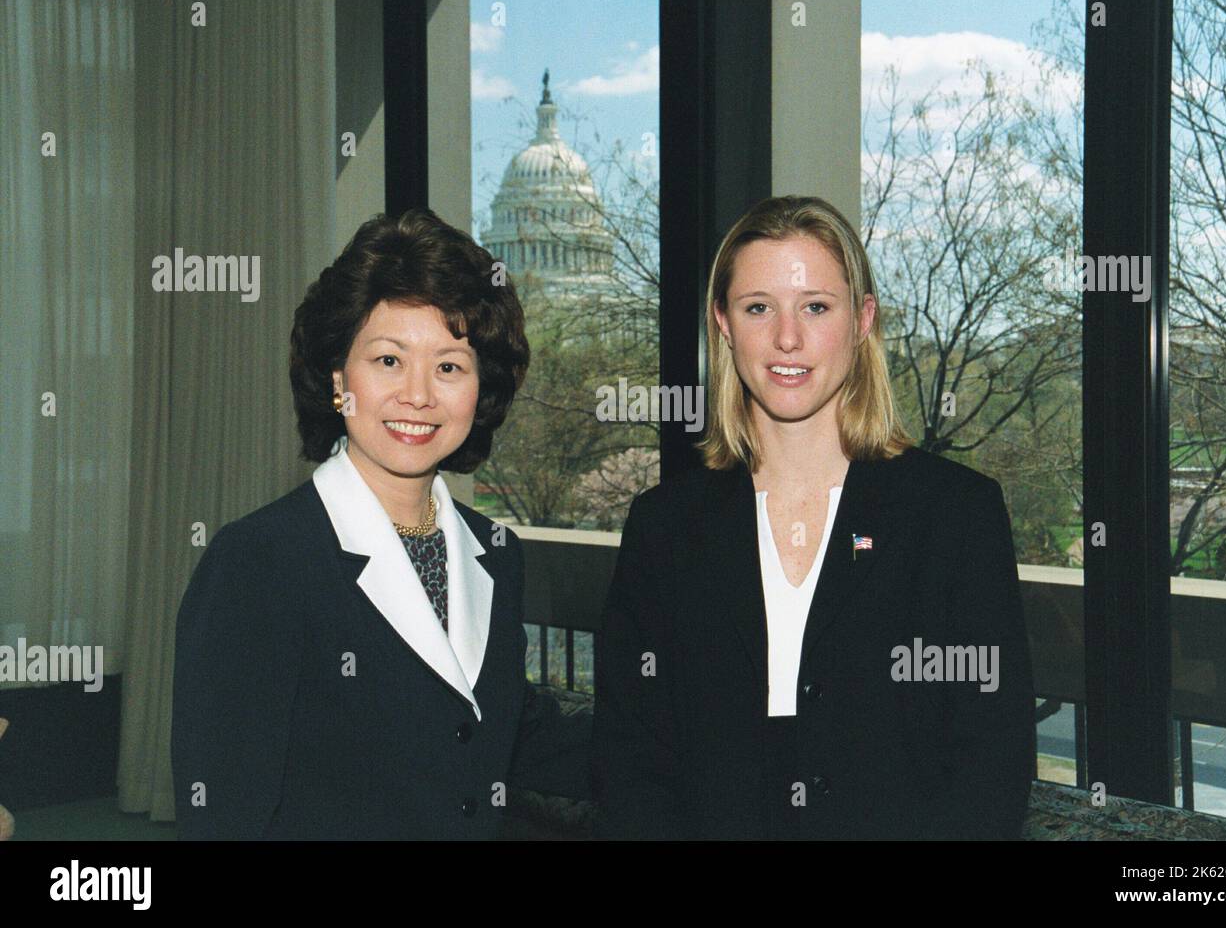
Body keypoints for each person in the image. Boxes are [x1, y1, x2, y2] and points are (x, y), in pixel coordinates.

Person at [593, 195, 1035, 839]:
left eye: (816, 307)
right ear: (722, 323)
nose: (787, 337)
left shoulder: (954, 516)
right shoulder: (664, 527)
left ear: (862, 321)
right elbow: (628, 761)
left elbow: (990, 768)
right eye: (758, 307)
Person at [171, 209, 590, 839]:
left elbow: (491, 727)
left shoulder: (496, 551)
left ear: (480, 390)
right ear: (340, 380)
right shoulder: (258, 561)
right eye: (389, 361)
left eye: (449, 366)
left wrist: (682, 731)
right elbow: (225, 811)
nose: (418, 394)